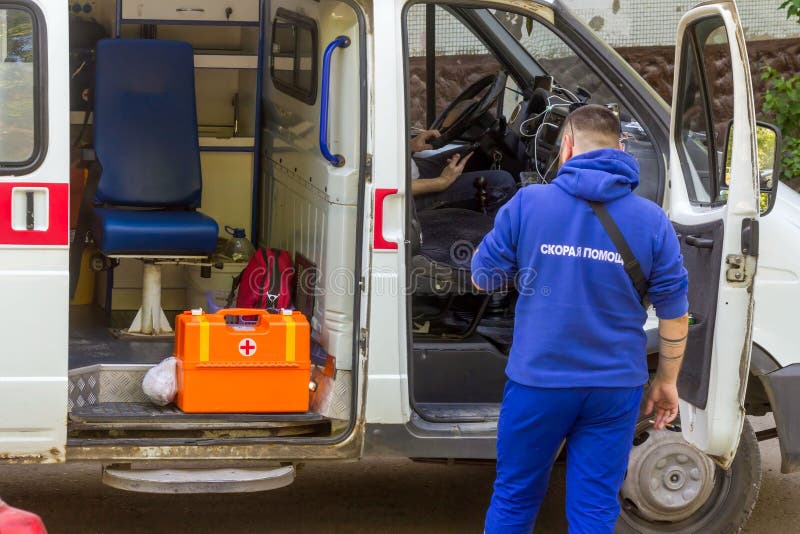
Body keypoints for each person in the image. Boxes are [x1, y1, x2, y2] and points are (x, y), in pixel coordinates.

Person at [471, 104, 689, 533]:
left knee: (515, 499)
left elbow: (483, 278)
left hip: (539, 382)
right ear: (621, 148)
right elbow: (675, 313)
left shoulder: (529, 202)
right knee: (593, 510)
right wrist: (666, 381)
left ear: (566, 146)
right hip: (614, 387)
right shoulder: (652, 220)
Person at [410, 129, 516, 212]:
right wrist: (442, 181)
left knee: (476, 153)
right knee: (503, 183)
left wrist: (409, 146)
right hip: (408, 198)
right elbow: (394, 186)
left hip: (409, 168)